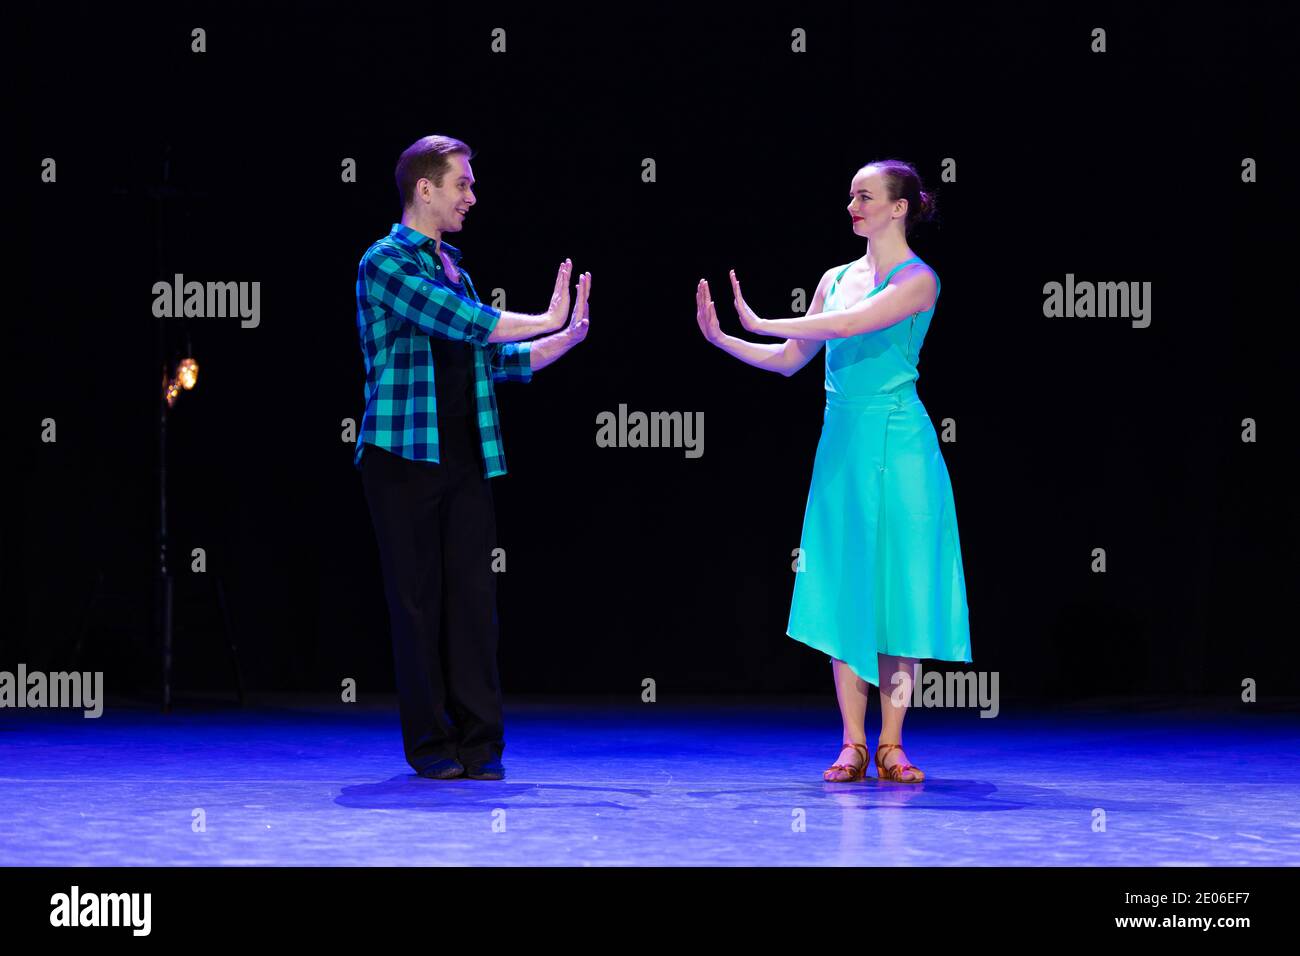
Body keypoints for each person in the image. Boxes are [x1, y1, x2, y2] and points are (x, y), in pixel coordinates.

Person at [694, 159, 971, 783]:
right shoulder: (834, 277)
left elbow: (850, 326)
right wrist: (725, 340)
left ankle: (893, 742)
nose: (854, 204)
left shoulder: (919, 279)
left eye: (866, 196)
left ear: (899, 207)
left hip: (901, 445)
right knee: (847, 585)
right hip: (843, 442)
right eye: (850, 195)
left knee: (898, 589)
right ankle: (852, 741)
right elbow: (793, 359)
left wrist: (761, 317)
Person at [355, 134, 590, 780]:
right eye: (462, 184)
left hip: (463, 457)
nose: (472, 196)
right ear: (425, 189)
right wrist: (545, 313)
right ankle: (431, 744)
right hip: (403, 456)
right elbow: (460, 321)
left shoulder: (454, 264)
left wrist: (565, 336)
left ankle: (481, 744)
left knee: (472, 603)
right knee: (416, 604)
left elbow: (494, 357)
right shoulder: (385, 261)